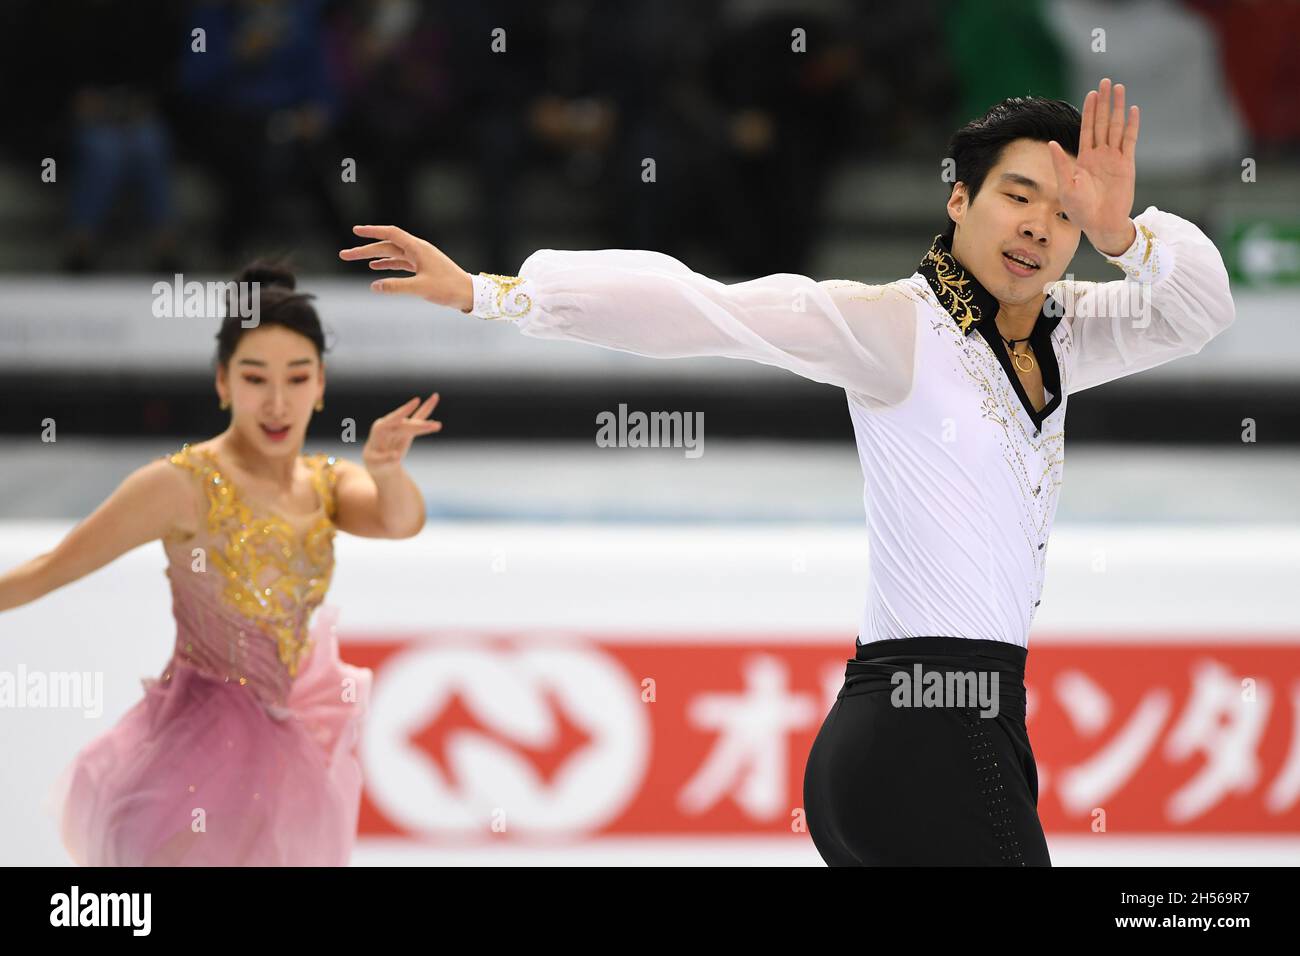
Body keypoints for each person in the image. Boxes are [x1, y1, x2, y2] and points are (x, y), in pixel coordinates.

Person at [338, 79, 1236, 865]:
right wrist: (493, 292)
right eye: (1018, 196)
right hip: (927, 729)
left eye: (1068, 213)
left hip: (938, 729)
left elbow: (1201, 309)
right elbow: (705, 308)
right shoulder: (895, 329)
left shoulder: (1069, 332)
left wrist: (1129, 232)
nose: (1042, 227)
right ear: (959, 201)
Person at [0, 262, 441, 865]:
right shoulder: (181, 486)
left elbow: (400, 521)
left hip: (286, 752)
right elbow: (48, 568)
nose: (277, 402)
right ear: (223, 383)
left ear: (321, 385)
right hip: (191, 760)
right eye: (255, 378)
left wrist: (388, 472)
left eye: (297, 377)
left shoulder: (327, 483)